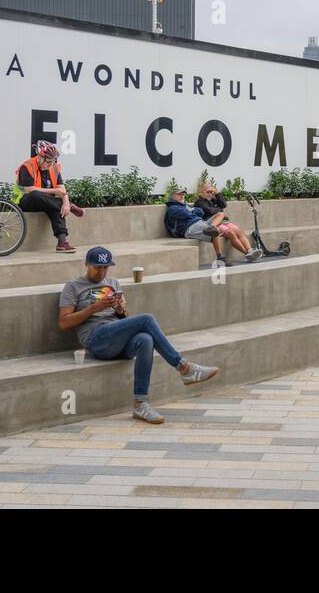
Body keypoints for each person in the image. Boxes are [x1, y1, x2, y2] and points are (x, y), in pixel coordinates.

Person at [59, 246, 220, 424]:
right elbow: (64, 322)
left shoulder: (113, 283)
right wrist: (94, 308)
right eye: (97, 267)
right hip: (95, 340)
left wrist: (120, 310)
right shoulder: (73, 286)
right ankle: (184, 368)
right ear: (86, 264)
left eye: (105, 267)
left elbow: (124, 318)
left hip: (116, 337)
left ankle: (140, 403)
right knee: (146, 319)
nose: (101, 271)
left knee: (145, 339)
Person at [16, 140, 85, 253]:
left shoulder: (53, 167)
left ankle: (62, 242)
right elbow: (29, 190)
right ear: (40, 157)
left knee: (57, 208)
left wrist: (66, 203)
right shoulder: (27, 166)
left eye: (53, 161)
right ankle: (70, 206)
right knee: (36, 194)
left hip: (46, 202)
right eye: (48, 161)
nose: (50, 164)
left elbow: (61, 189)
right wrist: (55, 192)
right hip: (25, 202)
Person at [194, 182, 261, 265]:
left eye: (212, 192)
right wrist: (220, 210)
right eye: (208, 192)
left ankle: (250, 250)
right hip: (212, 224)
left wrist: (217, 193)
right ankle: (247, 254)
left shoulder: (212, 200)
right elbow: (211, 211)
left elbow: (223, 204)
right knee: (231, 233)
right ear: (201, 193)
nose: (210, 194)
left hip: (223, 222)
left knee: (239, 231)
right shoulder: (199, 202)